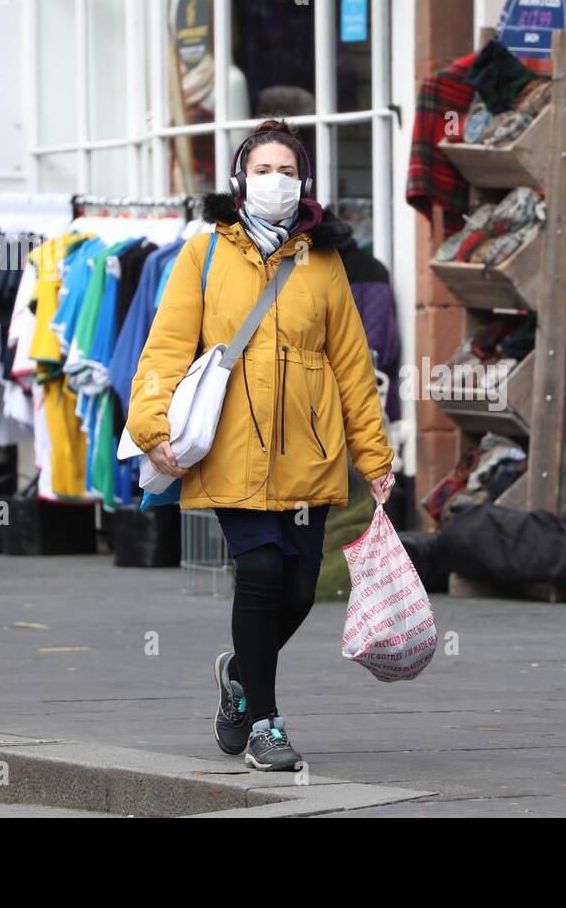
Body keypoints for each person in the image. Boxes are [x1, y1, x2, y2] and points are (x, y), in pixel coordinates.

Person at [125, 119, 394, 772]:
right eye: (264, 168)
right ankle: (265, 725)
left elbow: (353, 365)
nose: (276, 180)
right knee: (263, 573)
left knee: (301, 588)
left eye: (287, 170)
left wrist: (375, 457)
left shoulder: (324, 261)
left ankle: (239, 675)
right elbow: (165, 347)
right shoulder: (204, 254)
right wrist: (152, 427)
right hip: (234, 448)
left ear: (303, 182)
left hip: (310, 449)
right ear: (242, 177)